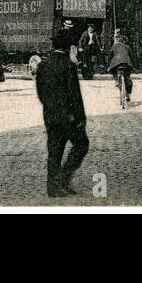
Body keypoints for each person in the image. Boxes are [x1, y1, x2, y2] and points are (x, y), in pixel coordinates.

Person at [35, 29, 90, 197]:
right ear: (68, 47)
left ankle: (52, 187)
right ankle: (64, 179)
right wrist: (80, 117)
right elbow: (75, 95)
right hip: (69, 118)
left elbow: (41, 93)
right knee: (81, 145)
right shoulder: (68, 65)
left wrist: (50, 108)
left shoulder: (42, 66)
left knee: (54, 151)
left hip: (51, 116)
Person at [106, 28, 134, 104]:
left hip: (116, 65)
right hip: (126, 64)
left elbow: (109, 57)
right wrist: (134, 66)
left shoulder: (114, 47)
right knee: (127, 78)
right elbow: (131, 56)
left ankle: (116, 80)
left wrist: (108, 65)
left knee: (113, 71)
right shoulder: (127, 47)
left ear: (117, 41)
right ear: (123, 41)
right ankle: (128, 95)